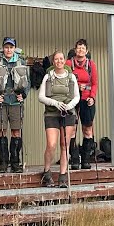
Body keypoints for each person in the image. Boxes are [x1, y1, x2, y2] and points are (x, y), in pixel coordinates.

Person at [0, 37, 30, 173]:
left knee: (16, 131)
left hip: (16, 102)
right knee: (1, 131)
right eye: (6, 47)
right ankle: (3, 162)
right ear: (3, 48)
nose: (8, 49)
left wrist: (23, 95)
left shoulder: (21, 62)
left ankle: (15, 163)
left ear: (14, 48)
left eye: (11, 47)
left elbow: (27, 83)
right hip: (1, 102)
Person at [37, 50, 80, 187]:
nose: (59, 61)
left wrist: (69, 106)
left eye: (61, 59)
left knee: (64, 145)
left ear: (64, 60)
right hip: (51, 114)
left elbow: (77, 96)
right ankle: (47, 172)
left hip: (68, 113)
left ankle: (62, 176)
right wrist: (55, 103)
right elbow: (41, 96)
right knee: (51, 144)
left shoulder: (71, 77)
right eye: (56, 59)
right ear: (53, 61)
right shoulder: (48, 76)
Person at [68, 39, 99, 169]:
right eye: (78, 48)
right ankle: (74, 159)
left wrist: (92, 97)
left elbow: (95, 83)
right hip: (73, 100)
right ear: (75, 50)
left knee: (87, 129)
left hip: (87, 100)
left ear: (86, 51)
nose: (80, 50)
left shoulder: (91, 65)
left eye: (83, 48)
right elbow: (64, 81)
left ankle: (86, 159)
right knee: (72, 130)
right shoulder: (68, 64)